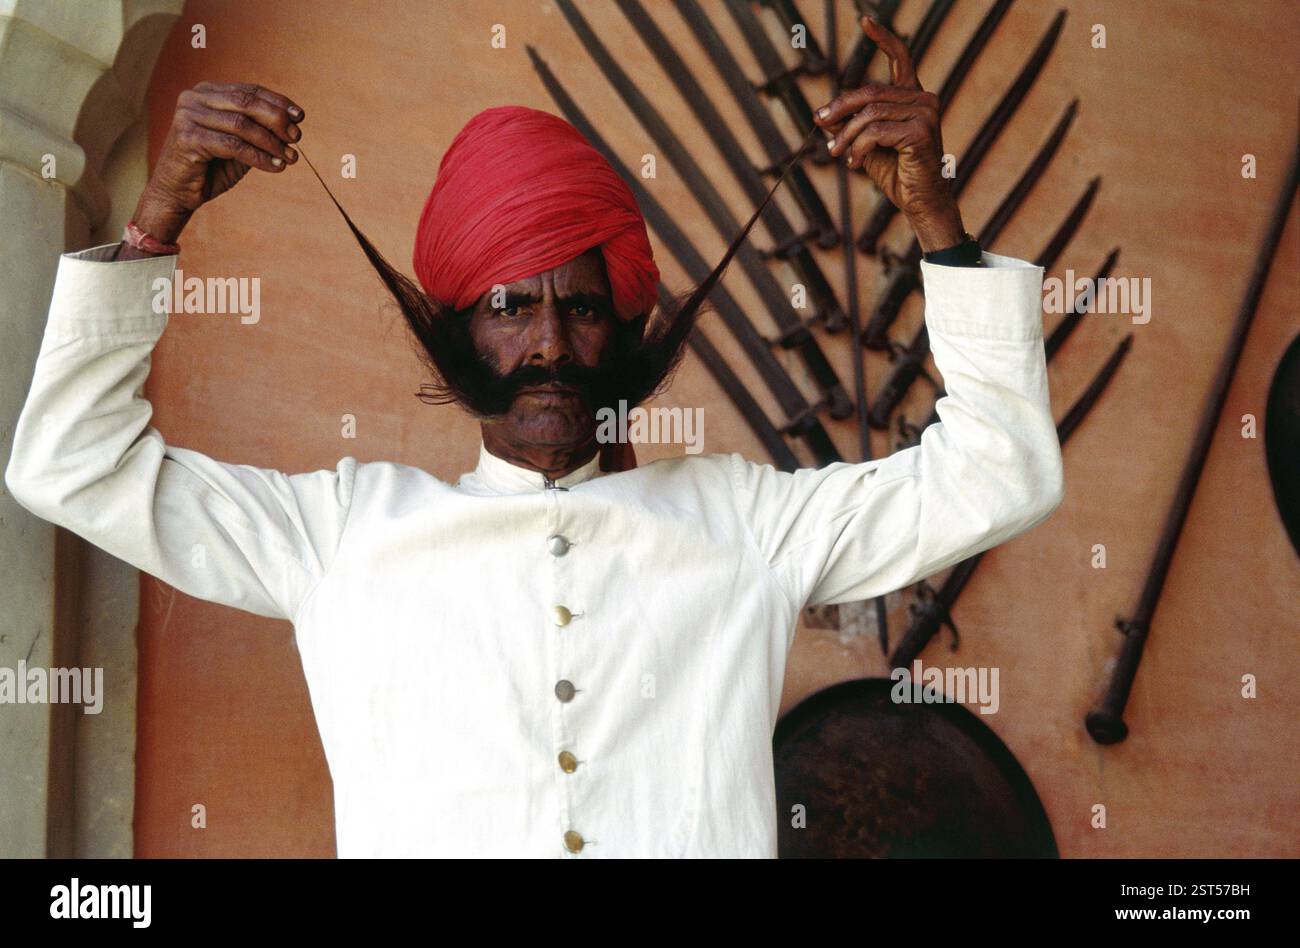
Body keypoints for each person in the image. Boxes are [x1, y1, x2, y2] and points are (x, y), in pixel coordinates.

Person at [5, 17, 1063, 857]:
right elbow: (74, 466)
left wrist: (938, 224)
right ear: (459, 328)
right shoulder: (336, 531)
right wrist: (158, 218)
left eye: (585, 308)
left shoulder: (746, 520)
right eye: (511, 306)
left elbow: (995, 474)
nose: (551, 343)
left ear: (626, 330)